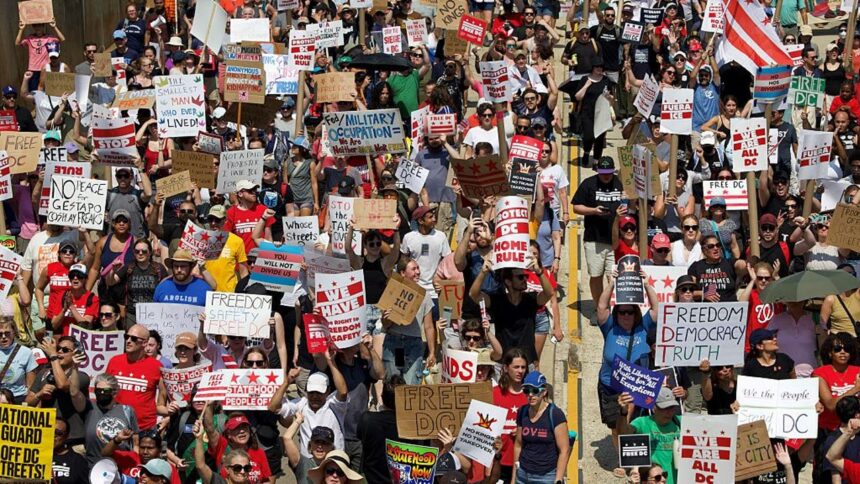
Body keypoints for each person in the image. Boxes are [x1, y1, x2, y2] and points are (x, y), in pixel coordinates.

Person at [596, 268, 659, 449]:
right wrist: (612, 284)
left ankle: (633, 459)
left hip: (637, 386)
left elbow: (656, 309)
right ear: (616, 314)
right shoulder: (609, 327)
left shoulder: (643, 326)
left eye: (630, 312)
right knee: (616, 427)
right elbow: (601, 307)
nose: (626, 315)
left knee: (634, 423)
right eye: (621, 312)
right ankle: (622, 460)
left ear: (636, 313)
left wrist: (646, 284)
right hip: (610, 386)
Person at [470, 256, 554, 364]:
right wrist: (483, 272)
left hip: (526, 363)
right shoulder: (498, 301)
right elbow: (474, 294)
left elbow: (549, 293)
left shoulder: (530, 299)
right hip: (504, 363)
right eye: (520, 277)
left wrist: (539, 272)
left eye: (525, 276)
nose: (525, 279)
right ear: (508, 282)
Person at [572, 156, 623, 306]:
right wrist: (594, 210)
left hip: (616, 239)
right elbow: (576, 207)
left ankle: (614, 307)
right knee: (596, 276)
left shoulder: (620, 184)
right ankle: (599, 307)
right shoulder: (589, 184)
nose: (606, 176)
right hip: (594, 238)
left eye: (609, 173)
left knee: (613, 276)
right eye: (603, 173)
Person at [26, 336, 88, 445]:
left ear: (75, 354)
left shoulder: (81, 377)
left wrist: (53, 356)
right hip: (46, 437)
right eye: (58, 348)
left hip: (72, 440)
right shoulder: (43, 373)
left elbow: (62, 384)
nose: (59, 352)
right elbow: (26, 404)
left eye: (65, 350)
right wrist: (39, 395)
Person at [616, 387, 681, 484]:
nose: (669, 412)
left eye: (672, 407)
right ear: (654, 408)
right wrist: (623, 412)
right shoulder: (642, 422)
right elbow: (623, 434)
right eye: (664, 408)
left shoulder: (681, 422)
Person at [105, 324, 163, 430]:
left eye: (134, 338)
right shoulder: (114, 361)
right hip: (116, 425)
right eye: (126, 337)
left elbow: (163, 399)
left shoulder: (156, 366)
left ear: (145, 343)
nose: (128, 341)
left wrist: (166, 417)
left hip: (145, 428)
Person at [107, 238, 167, 325]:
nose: (140, 253)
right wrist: (113, 271)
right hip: (132, 314)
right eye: (137, 251)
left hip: (153, 314)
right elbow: (110, 282)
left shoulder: (159, 268)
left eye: (144, 251)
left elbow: (166, 286)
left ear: (150, 253)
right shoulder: (129, 267)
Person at [84, 373, 139, 466]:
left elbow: (135, 441)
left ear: (115, 392)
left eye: (105, 391)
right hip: (94, 466)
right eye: (98, 390)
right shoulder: (89, 407)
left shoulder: (127, 410)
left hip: (121, 466)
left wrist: (136, 462)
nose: (101, 393)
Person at [52, 417, 89, 484]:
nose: (53, 435)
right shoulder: (36, 456)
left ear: (66, 437)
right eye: (50, 430)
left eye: (58, 432)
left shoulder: (77, 461)